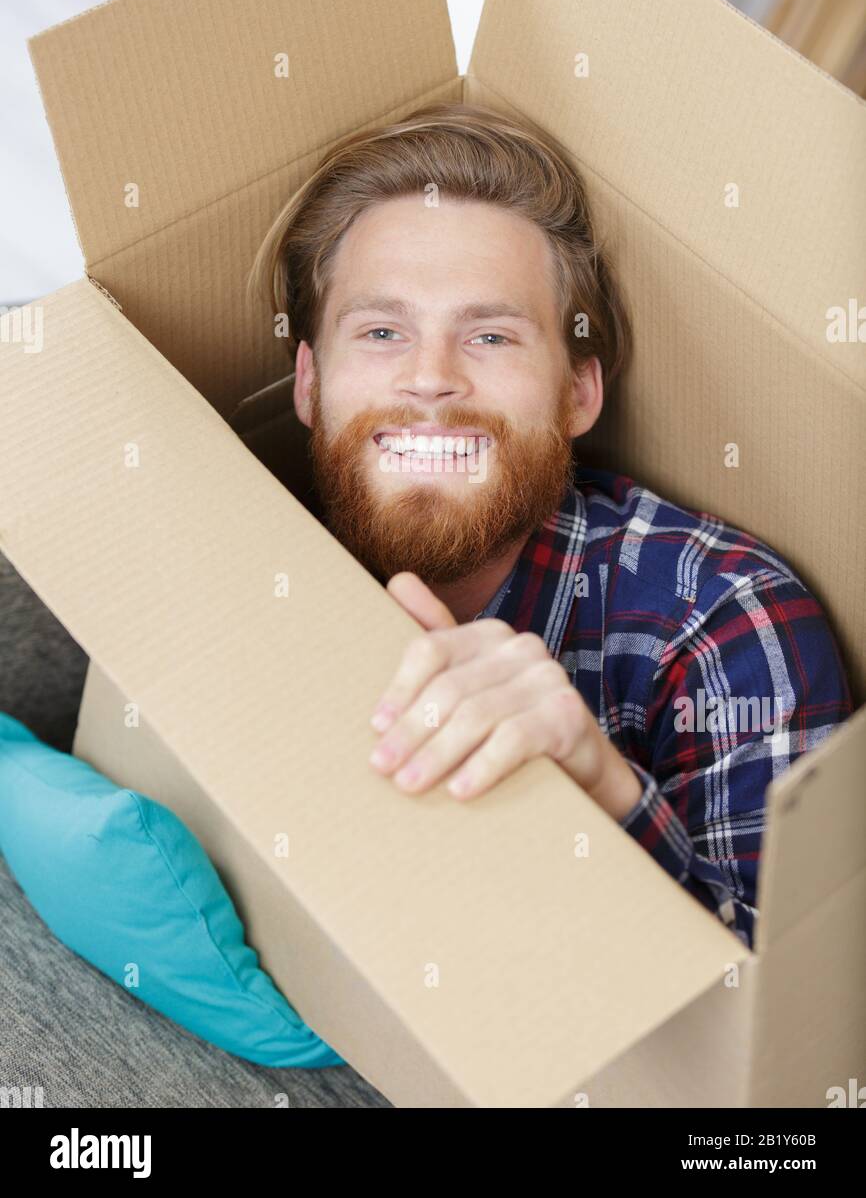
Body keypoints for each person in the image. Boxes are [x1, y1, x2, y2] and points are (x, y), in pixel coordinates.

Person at [246, 101, 853, 950]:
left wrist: (596, 783)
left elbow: (788, 1022)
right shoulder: (242, 551)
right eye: (382, 331)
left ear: (578, 394)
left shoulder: (722, 615)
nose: (430, 380)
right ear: (309, 383)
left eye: (490, 335)